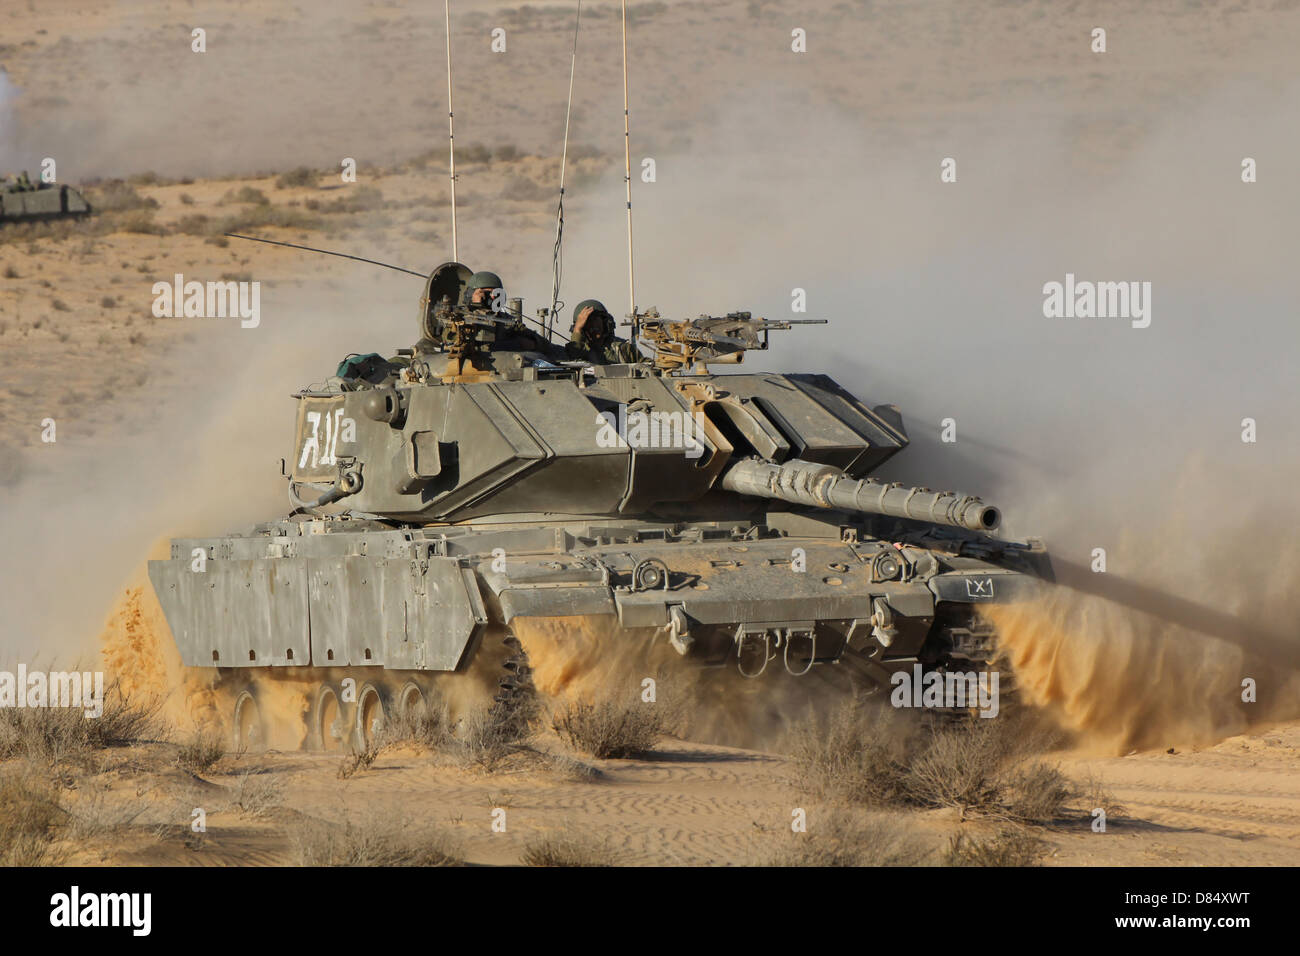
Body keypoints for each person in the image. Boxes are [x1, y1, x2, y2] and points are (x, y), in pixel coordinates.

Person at [565, 299, 640, 364]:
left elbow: (646, 367)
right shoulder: (580, 351)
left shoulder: (623, 349)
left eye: (595, 319)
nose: (593, 325)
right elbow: (573, 362)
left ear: (605, 322)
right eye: (588, 321)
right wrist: (577, 330)